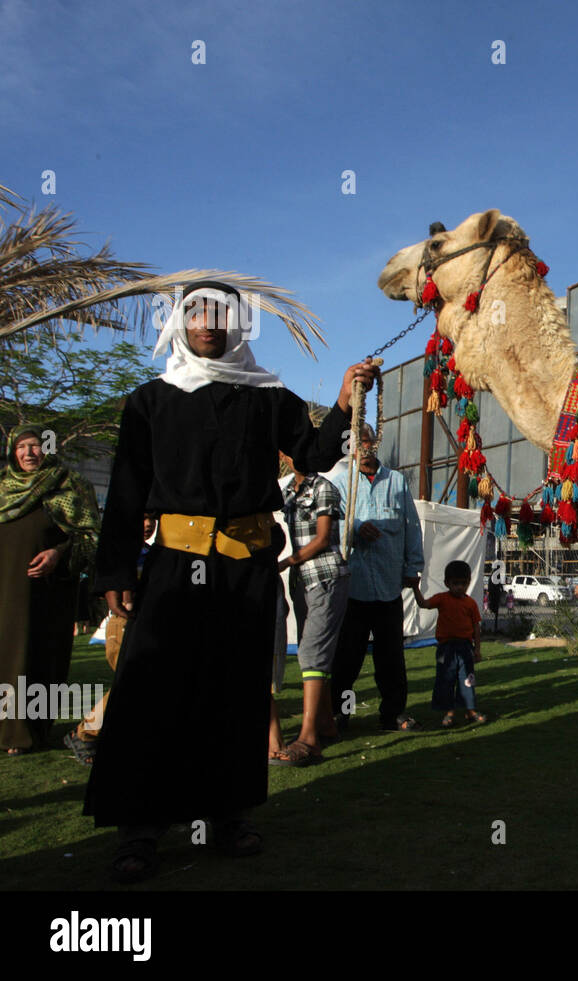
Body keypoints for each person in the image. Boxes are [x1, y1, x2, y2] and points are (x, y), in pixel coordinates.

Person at [85, 280, 378, 883]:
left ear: (239, 324)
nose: (209, 322)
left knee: (236, 692)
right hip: (171, 569)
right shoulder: (150, 401)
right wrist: (115, 567)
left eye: (221, 312)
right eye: (197, 312)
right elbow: (125, 491)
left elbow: (315, 454)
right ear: (180, 323)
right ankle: (139, 830)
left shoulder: (266, 396)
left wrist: (347, 401)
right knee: (153, 690)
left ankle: (230, 816)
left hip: (245, 571)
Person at [0, 425, 101, 755]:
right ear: (12, 451)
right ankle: (5, 730)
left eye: (36, 446)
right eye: (22, 447)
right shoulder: (2, 487)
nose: (29, 453)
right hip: (5, 587)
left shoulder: (71, 485)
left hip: (47, 591)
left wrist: (59, 553)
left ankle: (29, 733)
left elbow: (91, 537)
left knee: (38, 657)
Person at [329, 423, 424, 732]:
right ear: (351, 447)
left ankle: (393, 714)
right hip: (353, 584)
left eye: (368, 440)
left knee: (391, 657)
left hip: (388, 584)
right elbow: (332, 523)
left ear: (375, 443)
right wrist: (356, 527)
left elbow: (411, 525)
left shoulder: (396, 481)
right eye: (358, 442)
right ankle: (339, 713)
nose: (364, 446)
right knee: (347, 657)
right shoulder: (342, 484)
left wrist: (413, 567)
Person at [64, 511, 157, 765]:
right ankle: (85, 733)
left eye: (152, 519)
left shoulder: (151, 552)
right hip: (125, 624)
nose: (148, 524)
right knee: (129, 684)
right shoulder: (120, 553)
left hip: (146, 624)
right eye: (143, 518)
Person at [271, 462, 348, 765]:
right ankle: (326, 724)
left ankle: (308, 739)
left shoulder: (323, 488)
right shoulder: (289, 491)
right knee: (314, 652)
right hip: (304, 580)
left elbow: (323, 537)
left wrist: (287, 561)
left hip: (324, 576)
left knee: (311, 653)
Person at [415, 559, 485, 726]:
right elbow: (423, 604)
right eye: (455, 583)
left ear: (469, 582)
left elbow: (476, 627)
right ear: (447, 583)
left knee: (467, 679)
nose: (459, 587)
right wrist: (414, 588)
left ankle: (470, 711)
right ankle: (449, 712)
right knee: (446, 680)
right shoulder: (442, 599)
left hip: (466, 648)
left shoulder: (471, 604)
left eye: (463, 583)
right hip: (446, 648)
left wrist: (477, 649)